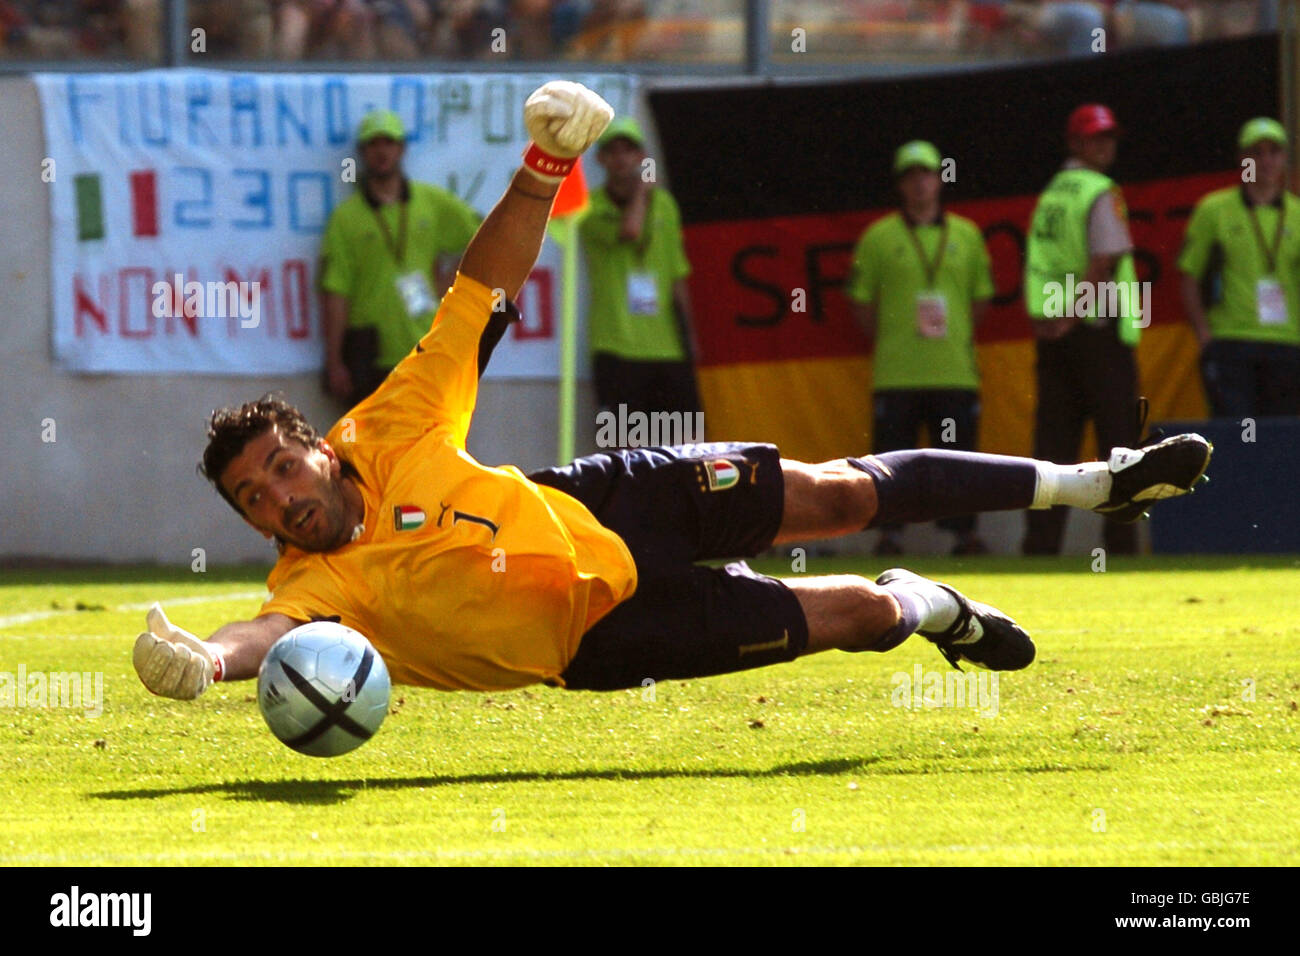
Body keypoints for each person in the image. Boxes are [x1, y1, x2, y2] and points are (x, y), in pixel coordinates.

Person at [131, 82, 1213, 703]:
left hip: (605, 501)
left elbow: (481, 287)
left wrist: (541, 171)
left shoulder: (395, 420)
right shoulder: (313, 584)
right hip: (599, 641)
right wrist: (203, 659)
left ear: (317, 445)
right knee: (858, 610)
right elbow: (261, 635)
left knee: (836, 492)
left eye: (278, 467)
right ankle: (931, 602)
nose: (278, 499)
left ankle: (1097, 481)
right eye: (255, 501)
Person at [847, 140, 995, 557]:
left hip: (954, 370)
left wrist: (958, 333)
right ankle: (889, 535)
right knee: (891, 462)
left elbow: (981, 298)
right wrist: (891, 338)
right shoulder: (878, 237)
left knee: (961, 461)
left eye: (926, 173)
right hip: (897, 370)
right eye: (909, 176)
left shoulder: (966, 235)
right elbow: (860, 300)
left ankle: (964, 536)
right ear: (899, 185)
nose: (919, 183)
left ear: (939, 178)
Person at [1023, 103, 1146, 556]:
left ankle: (1039, 545)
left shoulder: (1051, 194)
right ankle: (1121, 545)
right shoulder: (1099, 190)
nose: (1105, 145)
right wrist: (1073, 316)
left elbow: (1042, 265)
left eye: (1109, 136)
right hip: (1095, 330)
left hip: (1054, 335)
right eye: (1096, 137)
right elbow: (1104, 261)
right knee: (1119, 446)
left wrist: (1053, 320)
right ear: (1075, 142)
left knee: (1052, 446)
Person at [319, 108, 481, 406]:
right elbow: (335, 293)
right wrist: (333, 360)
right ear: (362, 152)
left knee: (423, 442)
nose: (382, 152)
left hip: (423, 346)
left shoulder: (430, 202)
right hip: (368, 352)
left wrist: (450, 279)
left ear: (402, 148)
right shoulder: (346, 218)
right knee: (368, 448)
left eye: (389, 143)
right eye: (373, 144)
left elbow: (482, 237)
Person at [579, 116, 700, 435]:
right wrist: (642, 193)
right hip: (617, 345)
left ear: (640, 157)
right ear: (602, 159)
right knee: (624, 444)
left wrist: (691, 338)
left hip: (666, 346)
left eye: (628, 151)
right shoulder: (590, 207)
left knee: (680, 441)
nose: (621, 159)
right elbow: (630, 231)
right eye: (613, 151)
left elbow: (677, 275)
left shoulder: (665, 205)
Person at [1178, 117, 1300, 417]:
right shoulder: (1214, 210)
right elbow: (1188, 274)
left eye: (1274, 152)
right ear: (1242, 159)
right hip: (1231, 341)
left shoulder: (1297, 214)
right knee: (1239, 437)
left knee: (1281, 442)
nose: (1266, 160)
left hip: (1287, 343)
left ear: (1284, 158)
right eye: (1256, 152)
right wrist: (1205, 336)